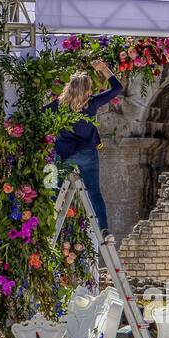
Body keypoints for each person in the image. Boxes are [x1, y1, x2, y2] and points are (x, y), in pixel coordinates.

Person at [46, 59, 123, 237]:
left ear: (69, 87)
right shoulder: (92, 103)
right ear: (87, 90)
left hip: (65, 154)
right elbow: (117, 88)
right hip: (88, 154)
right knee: (94, 192)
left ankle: (45, 226)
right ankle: (104, 230)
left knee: (51, 187)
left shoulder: (58, 105)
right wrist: (104, 69)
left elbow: (38, 115)